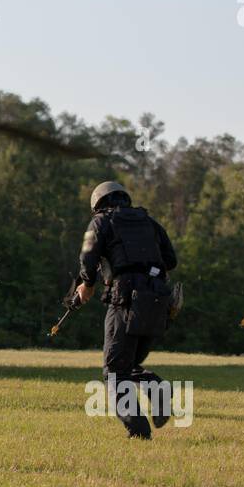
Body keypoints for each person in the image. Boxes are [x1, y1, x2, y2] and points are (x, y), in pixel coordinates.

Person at [73, 181, 178, 440]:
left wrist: (87, 284)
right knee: (127, 364)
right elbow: (171, 260)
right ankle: (157, 387)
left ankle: (139, 432)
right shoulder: (149, 222)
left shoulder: (101, 222)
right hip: (157, 300)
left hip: (125, 299)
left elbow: (88, 257)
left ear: (98, 204)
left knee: (113, 373)